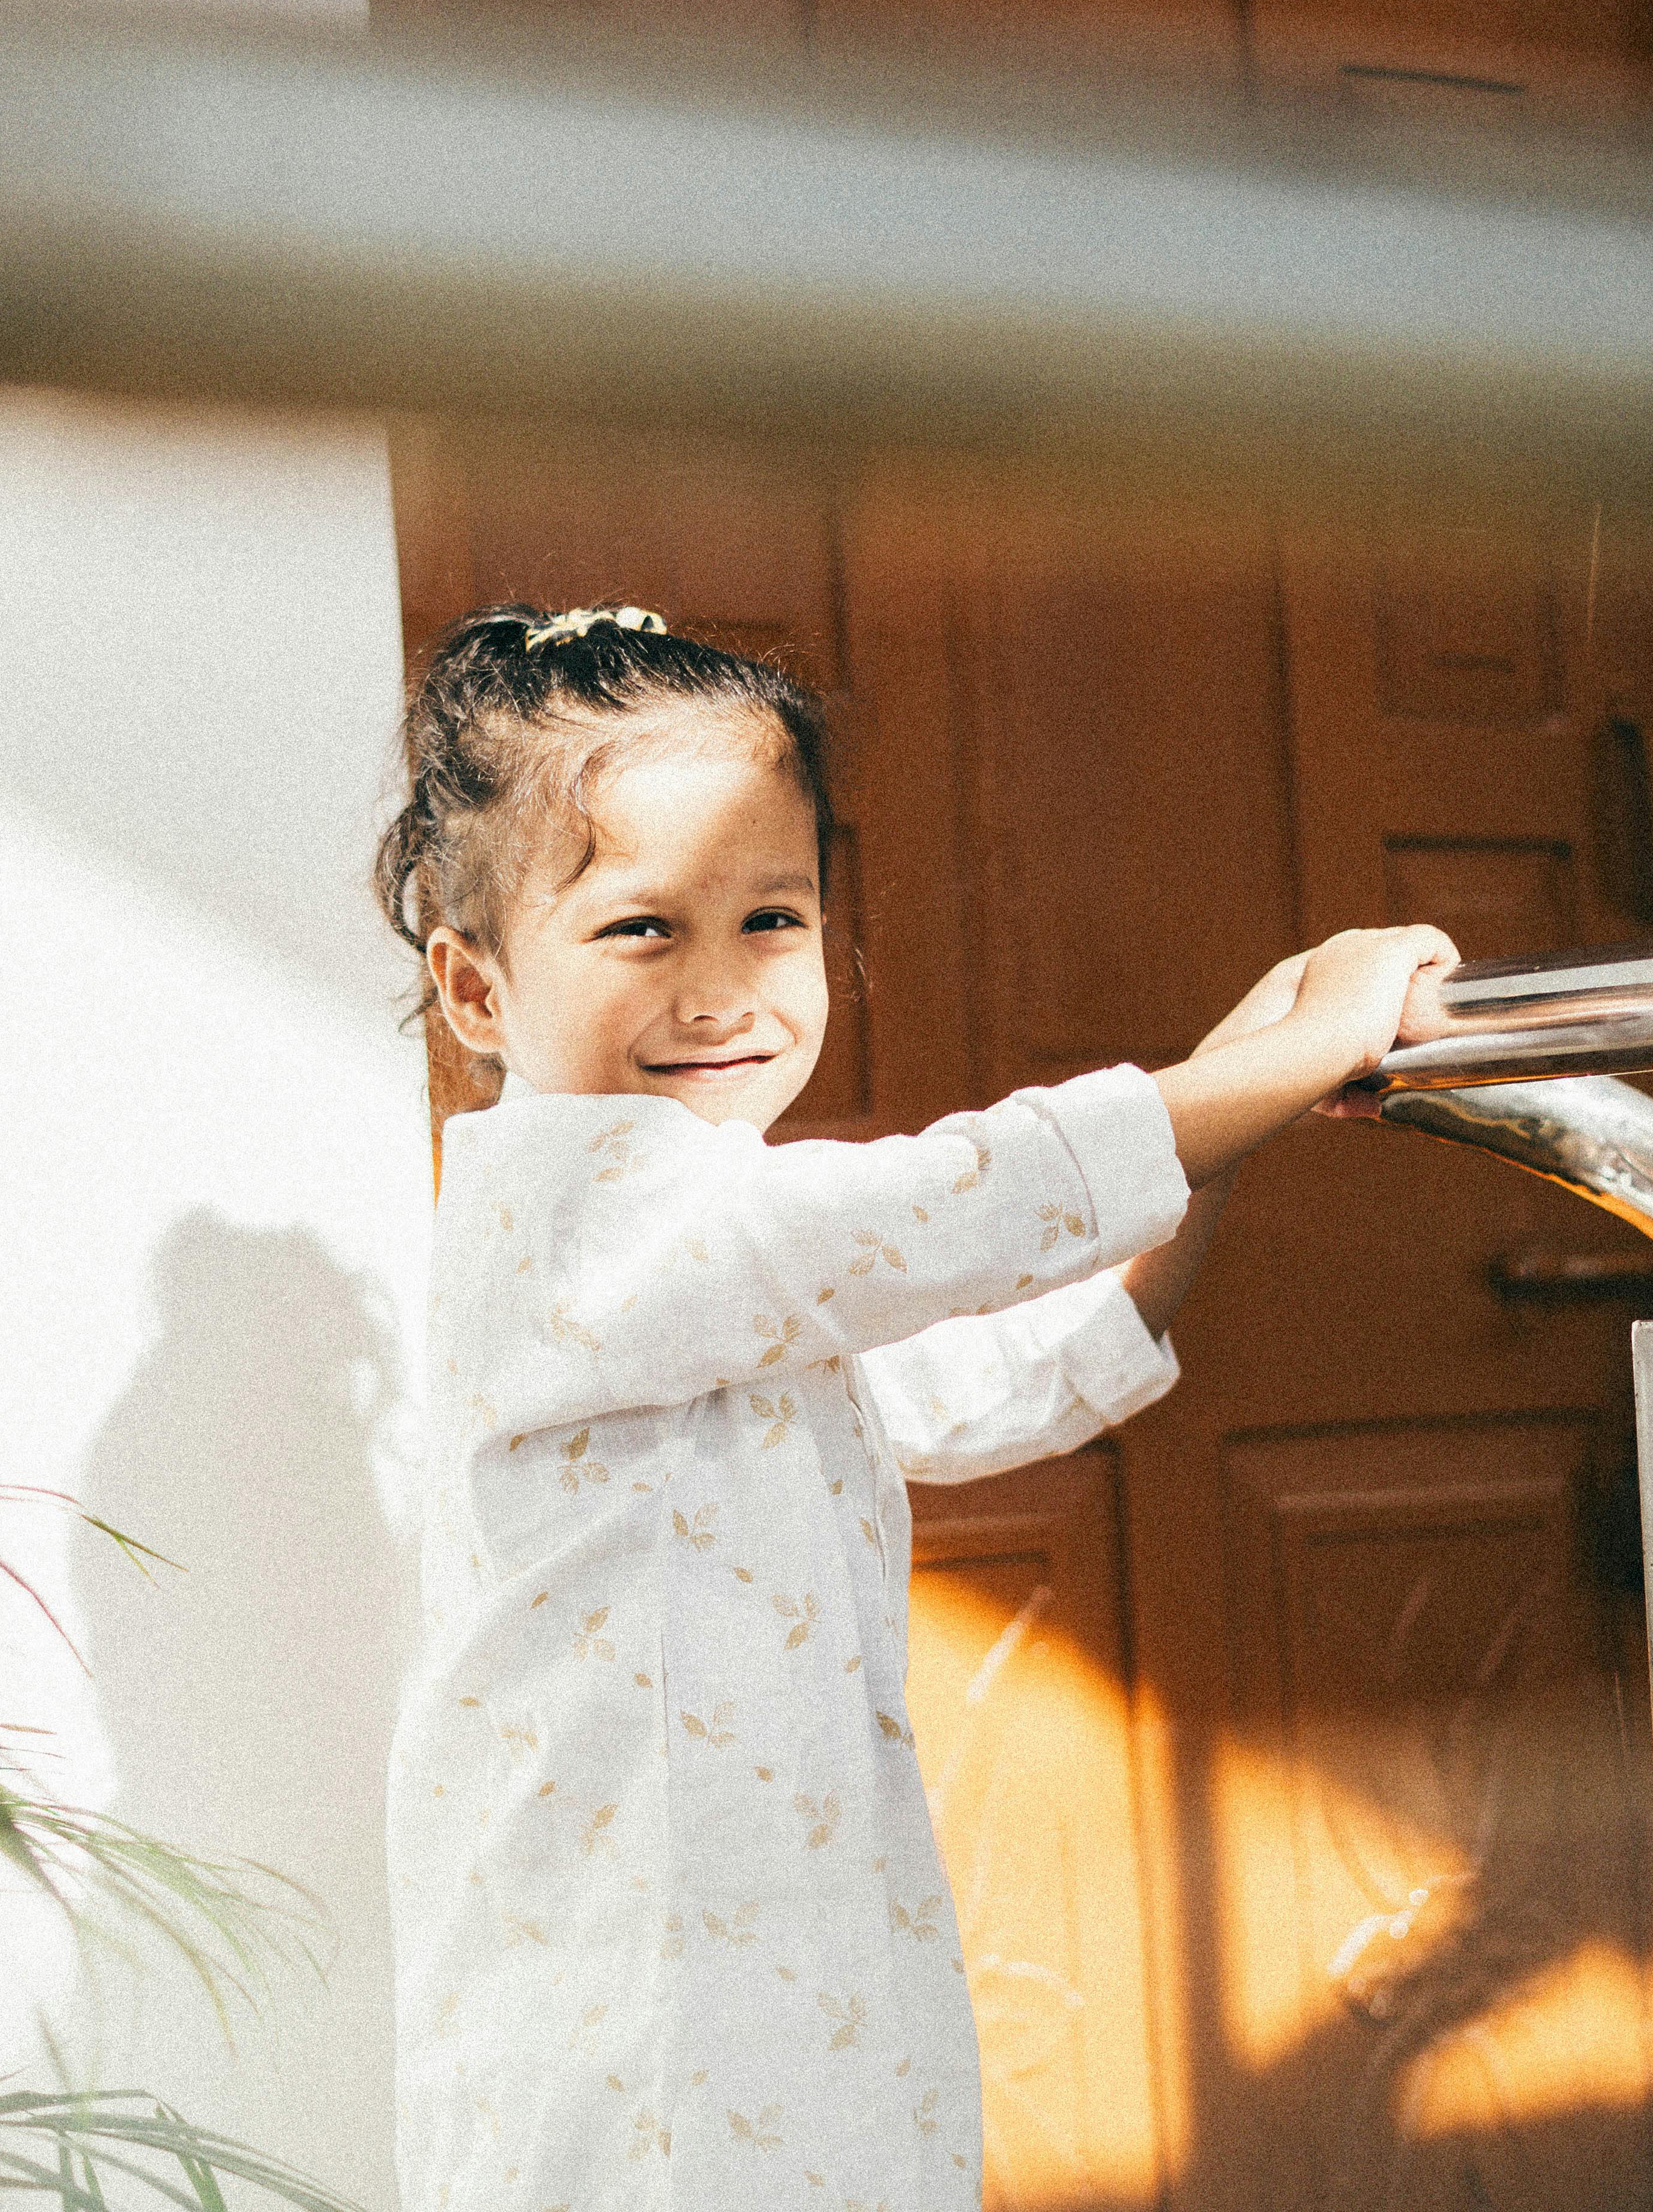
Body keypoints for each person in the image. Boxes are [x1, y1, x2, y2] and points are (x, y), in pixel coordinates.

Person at [373, 601, 1460, 2211]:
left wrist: (1242, 1081)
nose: (721, 989)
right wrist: (1305, 1046)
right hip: (622, 1986)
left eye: (771, 920)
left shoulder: (733, 1256)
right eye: (639, 931)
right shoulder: (578, 1219)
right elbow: (972, 1201)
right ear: (475, 992)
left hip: (786, 1965)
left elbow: (1014, 1359)